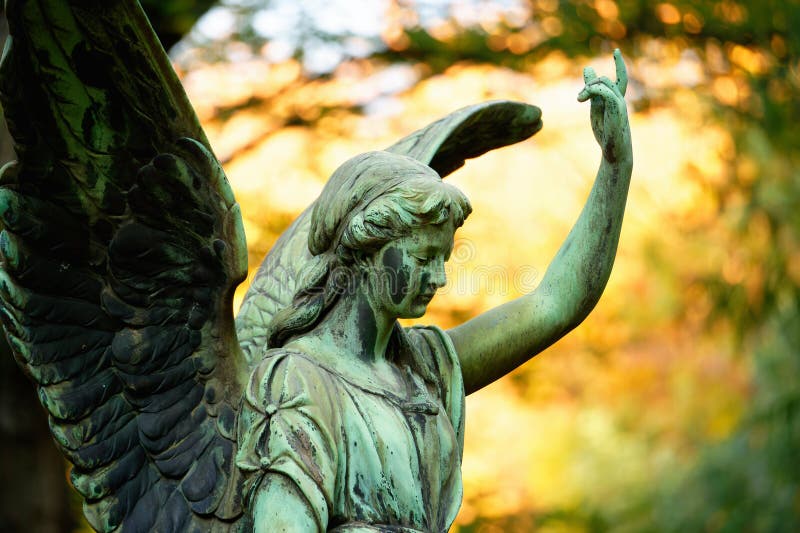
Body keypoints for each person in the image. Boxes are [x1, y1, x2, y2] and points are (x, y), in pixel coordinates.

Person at [236, 50, 633, 532]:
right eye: (424, 258)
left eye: (443, 259)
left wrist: (614, 165)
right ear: (368, 249)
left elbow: (554, 304)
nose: (440, 277)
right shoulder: (297, 383)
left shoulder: (426, 368)